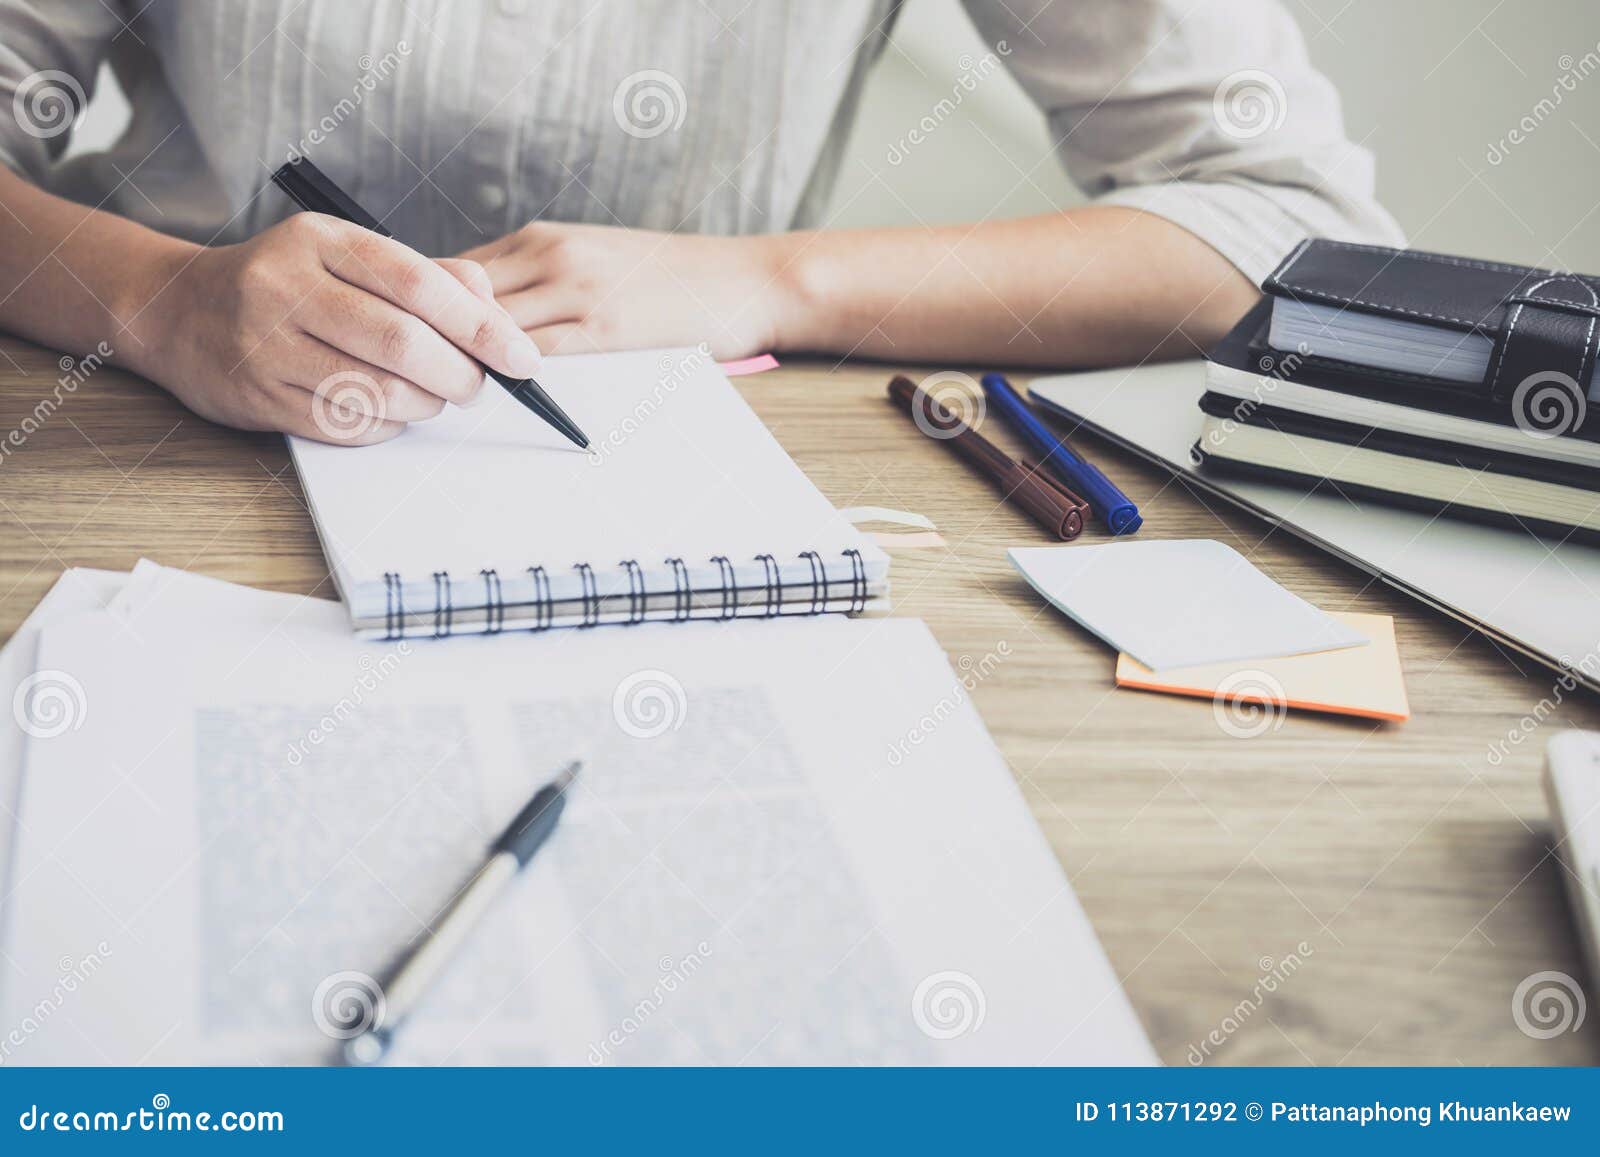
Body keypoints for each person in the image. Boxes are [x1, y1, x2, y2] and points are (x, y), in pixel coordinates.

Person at [0, 0, 1401, 444]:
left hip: (663, 497)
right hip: (140, 436)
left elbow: (1287, 226)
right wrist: (162, 297)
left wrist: (773, 281)